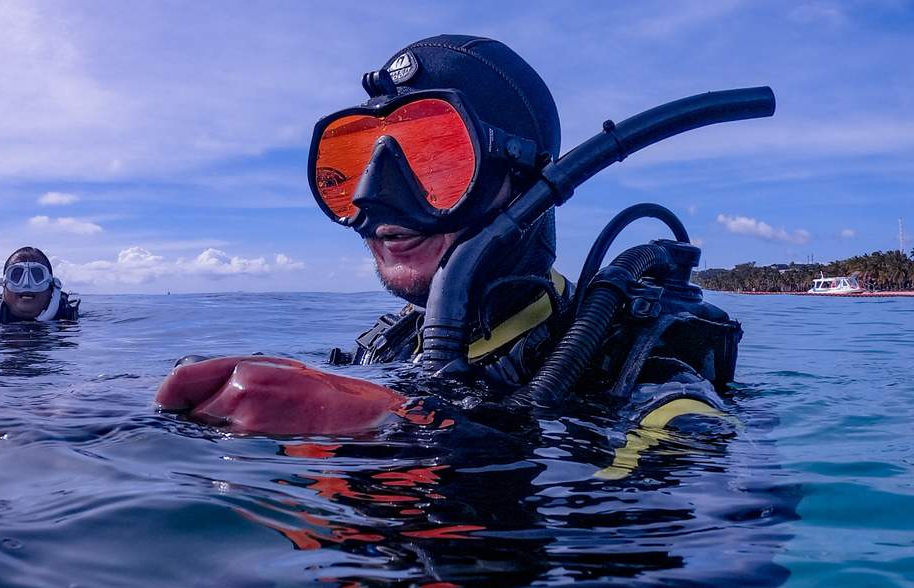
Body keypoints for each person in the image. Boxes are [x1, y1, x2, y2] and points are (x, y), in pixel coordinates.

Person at [156, 35, 748, 443]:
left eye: (434, 161)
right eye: (356, 160)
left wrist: (399, 428)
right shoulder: (387, 350)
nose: (372, 199)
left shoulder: (648, 383)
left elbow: (711, 582)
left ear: (528, 181)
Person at [0, 246, 80, 325]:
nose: (27, 283)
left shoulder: (69, 321)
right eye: (16, 275)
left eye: (37, 275)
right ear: (3, 284)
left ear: (52, 286)